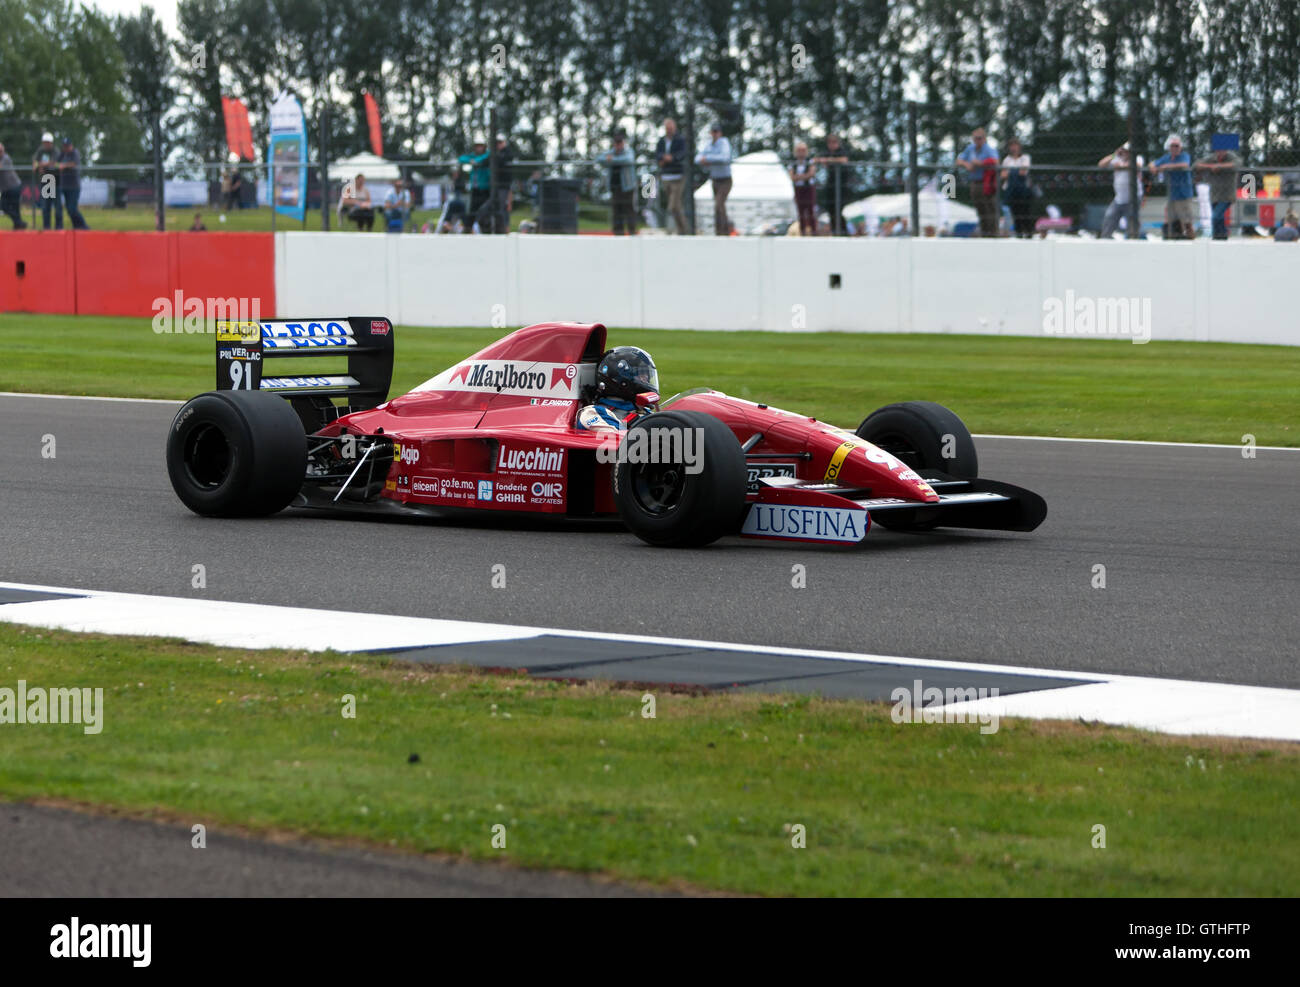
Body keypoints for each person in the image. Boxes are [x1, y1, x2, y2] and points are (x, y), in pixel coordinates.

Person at [576, 346, 659, 432]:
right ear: (621, 379)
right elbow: (624, 441)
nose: (646, 379)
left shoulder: (642, 410)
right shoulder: (594, 413)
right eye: (641, 374)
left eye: (647, 375)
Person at [956, 127, 1000, 237]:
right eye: (975, 138)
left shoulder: (989, 150)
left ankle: (993, 233)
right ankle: (984, 232)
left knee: (990, 208)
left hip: (987, 183)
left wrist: (980, 164)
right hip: (975, 182)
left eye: (979, 138)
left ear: (984, 139)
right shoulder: (970, 149)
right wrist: (967, 165)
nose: (977, 140)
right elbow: (959, 160)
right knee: (979, 207)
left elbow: (996, 162)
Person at [1150, 135, 1195, 239]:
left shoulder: (1184, 156)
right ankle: (1175, 237)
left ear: (1180, 147)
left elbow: (1184, 164)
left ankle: (1192, 239)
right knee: (1171, 220)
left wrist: (1166, 166)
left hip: (1183, 194)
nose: (1175, 148)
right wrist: (1153, 167)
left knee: (1187, 221)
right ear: (1169, 147)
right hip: (1172, 194)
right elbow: (1153, 164)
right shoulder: (1166, 158)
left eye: (1177, 146)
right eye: (1172, 146)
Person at [1196, 143, 1242, 240]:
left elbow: (1237, 164)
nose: (1220, 152)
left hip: (1227, 195)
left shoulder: (1231, 157)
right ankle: (1220, 237)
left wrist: (1219, 167)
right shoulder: (1211, 159)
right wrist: (1210, 167)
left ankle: (1219, 236)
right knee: (1219, 219)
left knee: (1216, 216)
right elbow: (1196, 165)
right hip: (1214, 194)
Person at [1098, 143, 1144, 238]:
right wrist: (1114, 154)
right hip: (1119, 198)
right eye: (1124, 150)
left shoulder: (1138, 158)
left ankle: (1134, 239)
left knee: (1132, 221)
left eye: (1128, 151)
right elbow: (1101, 164)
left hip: (1133, 198)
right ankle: (1105, 239)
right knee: (1109, 217)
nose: (1126, 153)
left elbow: (1138, 165)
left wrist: (1121, 166)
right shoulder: (1117, 159)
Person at [695, 123, 732, 235]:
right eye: (713, 132)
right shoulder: (708, 145)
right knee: (717, 207)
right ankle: (718, 231)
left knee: (719, 203)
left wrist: (708, 159)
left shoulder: (724, 143)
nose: (715, 134)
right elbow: (697, 158)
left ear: (720, 133)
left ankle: (725, 231)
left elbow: (725, 157)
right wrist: (705, 159)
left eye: (717, 132)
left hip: (725, 180)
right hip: (715, 180)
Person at [815, 133, 853, 235]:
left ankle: (843, 231)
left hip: (841, 186)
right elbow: (817, 159)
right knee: (831, 210)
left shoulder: (841, 151)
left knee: (839, 210)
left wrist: (828, 160)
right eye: (830, 143)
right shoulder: (827, 152)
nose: (832, 145)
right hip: (831, 186)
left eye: (834, 142)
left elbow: (844, 160)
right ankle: (835, 230)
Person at [475, 134, 512, 234]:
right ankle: (491, 231)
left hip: (503, 187)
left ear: (504, 143)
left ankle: (504, 231)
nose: (498, 145)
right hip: (495, 188)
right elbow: (485, 162)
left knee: (502, 209)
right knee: (484, 211)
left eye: (500, 142)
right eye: (496, 143)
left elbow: (502, 160)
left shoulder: (507, 153)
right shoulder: (494, 154)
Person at [655, 118, 687, 234]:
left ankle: (669, 230)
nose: (669, 130)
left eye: (671, 128)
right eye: (667, 128)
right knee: (677, 206)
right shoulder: (661, 141)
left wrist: (671, 158)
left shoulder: (680, 139)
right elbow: (658, 155)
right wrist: (663, 159)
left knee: (672, 205)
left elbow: (682, 154)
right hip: (666, 176)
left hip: (678, 176)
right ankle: (683, 230)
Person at [1000, 137, 1033, 238]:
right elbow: (1003, 175)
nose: (1014, 148)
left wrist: (1010, 172)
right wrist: (1015, 172)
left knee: (1025, 211)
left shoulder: (1025, 158)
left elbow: (1023, 172)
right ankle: (1018, 232)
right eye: (1011, 146)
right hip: (1011, 190)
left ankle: (1028, 232)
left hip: (1023, 190)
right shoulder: (1007, 160)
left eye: (1015, 145)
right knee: (1015, 213)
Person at [605, 129, 637, 235]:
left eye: (620, 142)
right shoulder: (610, 152)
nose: (618, 145)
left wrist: (612, 159)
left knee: (629, 211)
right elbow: (599, 158)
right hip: (615, 188)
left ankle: (632, 234)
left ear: (623, 142)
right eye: (616, 143)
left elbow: (628, 159)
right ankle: (618, 235)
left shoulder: (628, 151)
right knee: (616, 213)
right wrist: (611, 158)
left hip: (627, 187)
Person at [458, 137, 490, 227]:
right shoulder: (473, 156)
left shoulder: (487, 155)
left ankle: (485, 228)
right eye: (477, 146)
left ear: (484, 147)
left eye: (480, 146)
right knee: (472, 210)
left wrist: (476, 161)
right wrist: (471, 161)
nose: (479, 148)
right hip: (475, 189)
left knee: (485, 210)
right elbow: (461, 159)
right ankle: (468, 228)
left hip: (485, 189)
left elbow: (486, 157)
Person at [56, 137, 88, 229]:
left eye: (67, 146)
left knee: (72, 208)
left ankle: (83, 226)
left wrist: (64, 166)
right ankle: (77, 227)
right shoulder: (62, 154)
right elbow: (56, 164)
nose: (65, 148)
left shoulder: (75, 153)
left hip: (74, 186)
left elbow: (74, 163)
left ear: (71, 145)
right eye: (64, 146)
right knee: (69, 210)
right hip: (64, 185)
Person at [32, 132, 61, 230]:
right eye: (44, 142)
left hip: (55, 181)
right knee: (45, 206)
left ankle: (59, 227)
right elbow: (35, 162)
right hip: (45, 181)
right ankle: (46, 227)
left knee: (57, 207)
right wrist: (38, 165)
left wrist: (42, 165)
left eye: (47, 142)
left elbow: (53, 163)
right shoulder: (40, 151)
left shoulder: (55, 151)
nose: (46, 144)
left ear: (51, 143)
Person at [790, 141, 817, 236]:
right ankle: (802, 231)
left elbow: (811, 174)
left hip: (808, 188)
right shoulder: (793, 163)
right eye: (799, 150)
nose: (801, 153)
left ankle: (813, 231)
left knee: (810, 210)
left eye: (803, 150)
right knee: (801, 211)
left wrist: (799, 176)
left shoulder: (810, 161)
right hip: (799, 189)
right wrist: (804, 176)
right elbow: (792, 177)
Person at [0, 142, 27, 229]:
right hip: (6, 189)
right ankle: (19, 222)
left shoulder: (6, 158)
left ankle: (18, 225)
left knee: (15, 207)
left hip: (14, 187)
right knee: (3, 206)